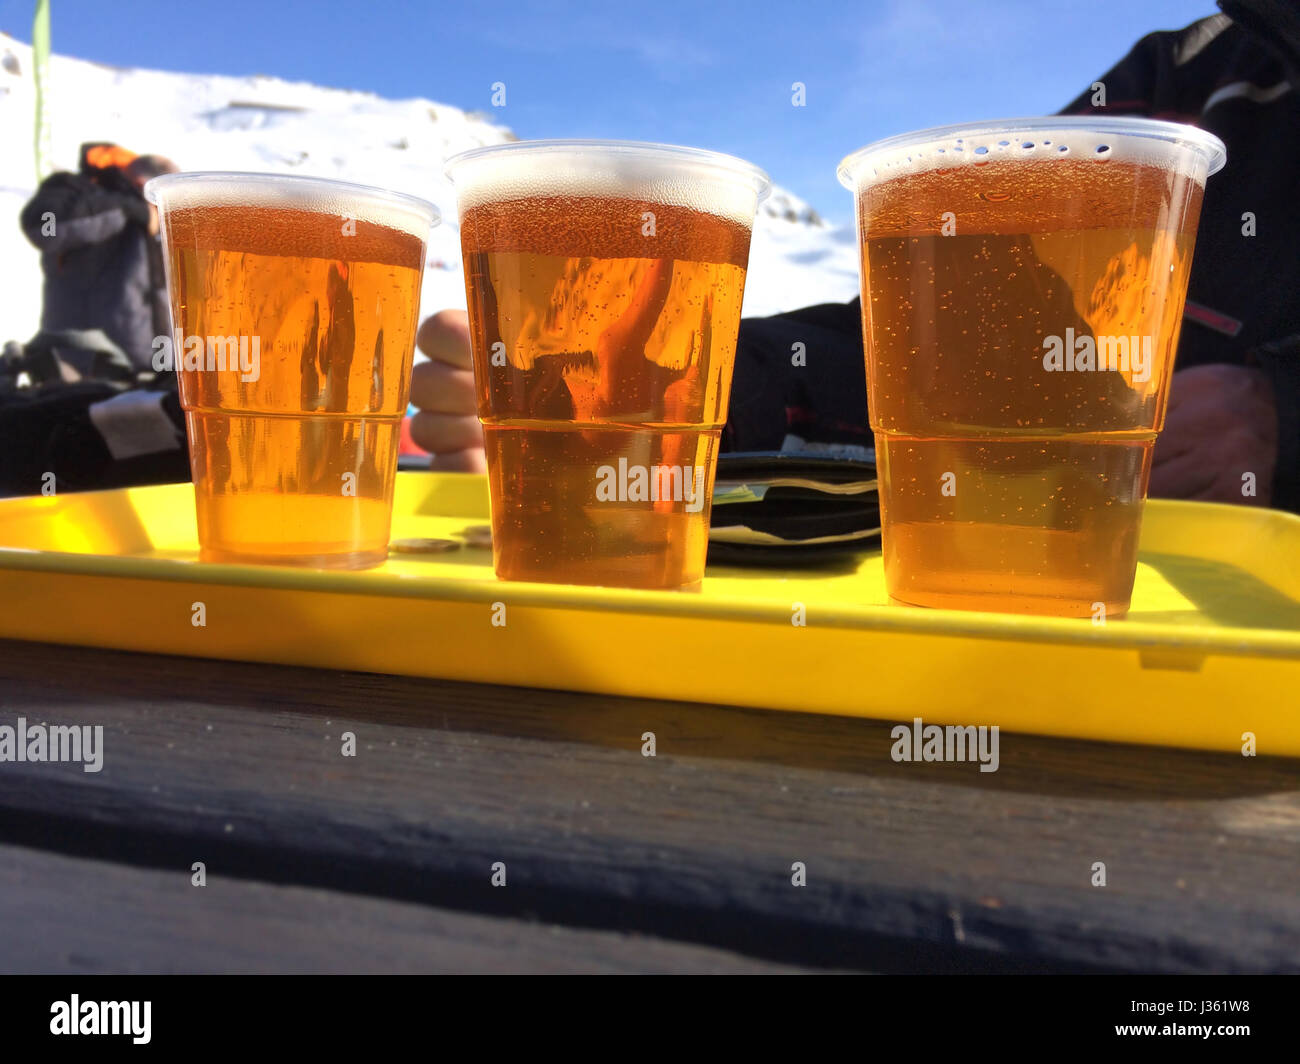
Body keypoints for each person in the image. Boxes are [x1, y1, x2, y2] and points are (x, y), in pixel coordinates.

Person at [408, 0, 1299, 513]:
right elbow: (945, 337)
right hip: (1061, 641)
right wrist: (661, 392)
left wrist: (1285, 417)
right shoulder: (1190, 80)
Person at [19, 143, 179, 372]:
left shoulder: (163, 221)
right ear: (143, 185)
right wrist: (127, 208)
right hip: (83, 368)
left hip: (154, 372)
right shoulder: (74, 189)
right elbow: (45, 229)